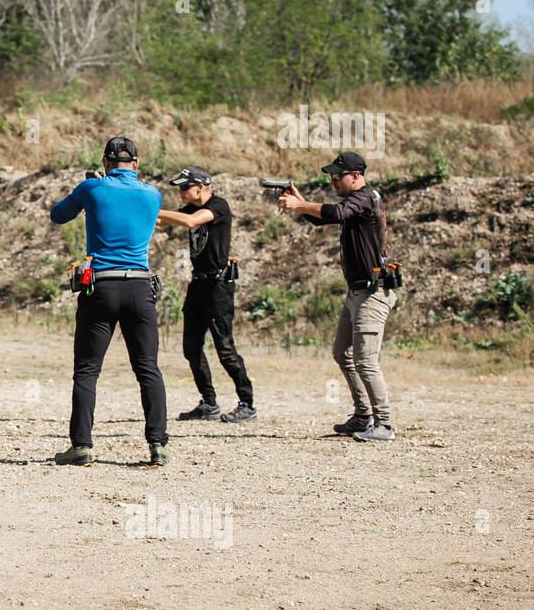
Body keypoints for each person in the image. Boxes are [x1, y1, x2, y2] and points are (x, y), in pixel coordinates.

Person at [50, 136, 170, 467]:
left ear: (105, 162)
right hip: (140, 287)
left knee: (87, 370)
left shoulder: (93, 189)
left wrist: (88, 187)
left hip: (100, 286)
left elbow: (58, 215)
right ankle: (158, 444)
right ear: (137, 164)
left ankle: (82, 445)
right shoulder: (153, 194)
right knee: (148, 368)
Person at [278, 151, 397, 442]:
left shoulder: (366, 198)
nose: (333, 181)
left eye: (337, 176)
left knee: (365, 360)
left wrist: (300, 204)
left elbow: (336, 212)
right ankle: (362, 416)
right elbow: (322, 219)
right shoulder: (356, 202)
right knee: (342, 353)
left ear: (356, 176)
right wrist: (301, 203)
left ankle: (385, 424)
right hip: (357, 290)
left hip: (373, 290)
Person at [156, 166, 256, 423]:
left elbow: (191, 221)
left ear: (201, 187)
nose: (180, 192)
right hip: (198, 284)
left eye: (184, 187)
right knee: (191, 348)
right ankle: (209, 403)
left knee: (225, 348)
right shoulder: (191, 208)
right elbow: (159, 220)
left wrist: (155, 211)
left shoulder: (218, 205)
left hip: (218, 287)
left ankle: (247, 404)